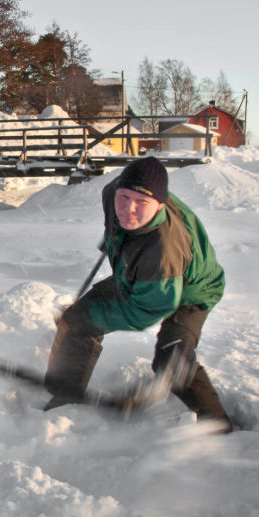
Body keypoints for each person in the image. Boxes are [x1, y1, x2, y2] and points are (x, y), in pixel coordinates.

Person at [44, 156, 230, 429]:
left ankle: (218, 424)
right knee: (76, 319)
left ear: (160, 205)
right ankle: (65, 395)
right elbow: (117, 217)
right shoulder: (111, 194)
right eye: (124, 198)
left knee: (172, 359)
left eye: (141, 203)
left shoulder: (162, 251)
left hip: (193, 289)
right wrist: (114, 238)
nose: (128, 209)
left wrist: (92, 314)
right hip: (140, 275)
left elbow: (144, 311)